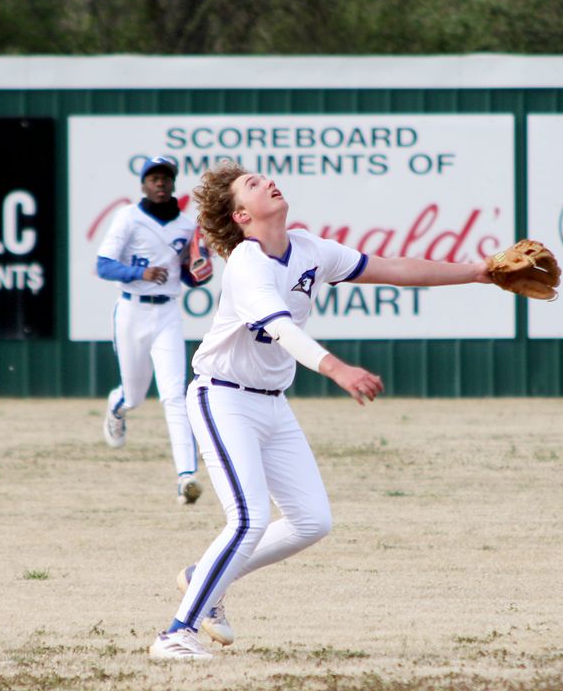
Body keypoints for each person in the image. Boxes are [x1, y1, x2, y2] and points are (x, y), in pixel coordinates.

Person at [148, 161, 492, 660]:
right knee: (248, 518)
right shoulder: (248, 263)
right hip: (222, 397)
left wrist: (477, 273)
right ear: (242, 215)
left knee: (312, 521)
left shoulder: (308, 248)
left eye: (262, 176)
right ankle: (176, 633)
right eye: (252, 184)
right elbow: (285, 331)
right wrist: (338, 370)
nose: (266, 180)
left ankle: (205, 579)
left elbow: (391, 269)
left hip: (270, 401)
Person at [96, 155, 213, 505]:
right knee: (134, 395)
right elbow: (103, 265)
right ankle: (117, 408)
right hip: (131, 309)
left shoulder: (186, 226)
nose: (159, 183)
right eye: (153, 177)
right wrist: (138, 273)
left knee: (175, 396)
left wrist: (200, 269)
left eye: (165, 177)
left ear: (173, 184)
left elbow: (193, 277)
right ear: (143, 184)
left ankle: (186, 478)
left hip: (167, 314)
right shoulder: (129, 218)